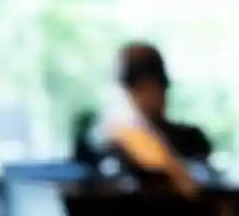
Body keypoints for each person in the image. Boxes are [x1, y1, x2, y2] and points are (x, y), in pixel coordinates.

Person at [91, 42, 214, 197]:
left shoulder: (192, 139)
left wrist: (165, 161)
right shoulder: (111, 147)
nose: (148, 97)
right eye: (138, 89)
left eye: (154, 87)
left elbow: (199, 191)